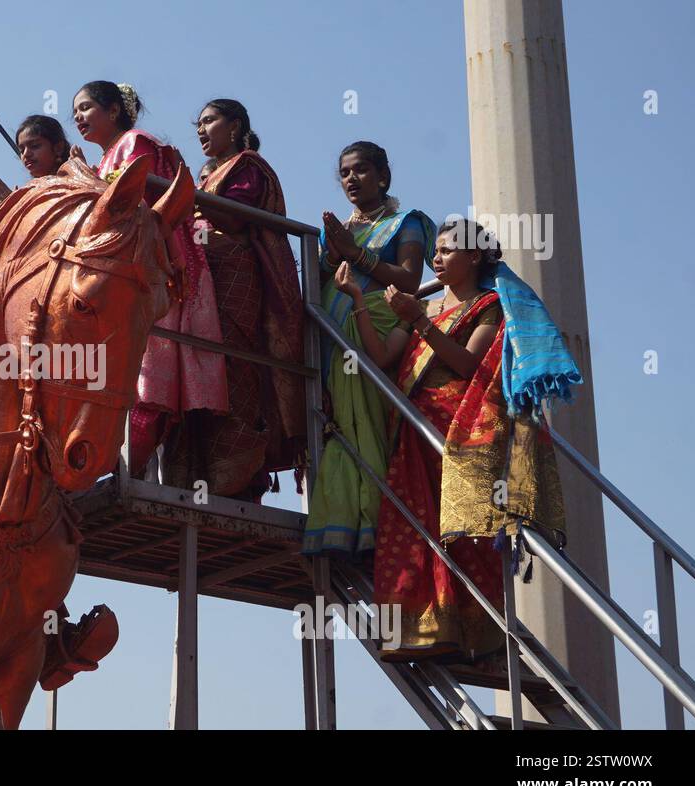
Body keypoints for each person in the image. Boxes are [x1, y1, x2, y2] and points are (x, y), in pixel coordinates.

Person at [338, 219, 578, 663]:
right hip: (413, 427)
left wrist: (419, 323)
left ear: (473, 257)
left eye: (448, 251)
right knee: (411, 528)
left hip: (455, 431)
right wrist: (357, 301)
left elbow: (469, 366)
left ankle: (475, 630)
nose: (438, 257)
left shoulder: (488, 306)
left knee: (460, 532)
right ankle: (421, 629)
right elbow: (384, 357)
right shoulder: (424, 309)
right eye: (438, 251)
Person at [72, 80, 228, 474]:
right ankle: (113, 469)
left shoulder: (135, 143)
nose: (78, 116)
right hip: (121, 274)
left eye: (87, 107)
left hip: (158, 267)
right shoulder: (103, 158)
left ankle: (122, 470)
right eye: (75, 110)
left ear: (113, 111)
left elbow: (144, 209)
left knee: (148, 381)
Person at [163, 98, 304, 499]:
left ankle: (239, 482)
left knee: (234, 372)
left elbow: (233, 217)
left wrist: (185, 189)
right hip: (201, 281)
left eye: (210, 121)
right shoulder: (210, 177)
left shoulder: (248, 166)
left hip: (235, 282)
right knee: (197, 371)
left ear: (236, 124)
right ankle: (195, 476)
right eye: (198, 124)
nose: (201, 130)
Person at [302, 141, 435, 556]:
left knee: (368, 430)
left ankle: (377, 526)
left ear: (383, 176)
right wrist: (333, 251)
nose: (351, 179)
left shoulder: (406, 224)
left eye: (360, 170)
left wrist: (355, 253)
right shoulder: (336, 229)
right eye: (344, 173)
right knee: (337, 427)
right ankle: (342, 522)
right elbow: (319, 280)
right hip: (331, 340)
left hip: (373, 333)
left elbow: (410, 281)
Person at [0, 114, 72, 206]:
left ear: (58, 148)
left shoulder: (75, 184)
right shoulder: (28, 194)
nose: (26, 154)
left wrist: (16, 208)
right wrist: (8, 210)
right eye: (21, 150)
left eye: (35, 146)